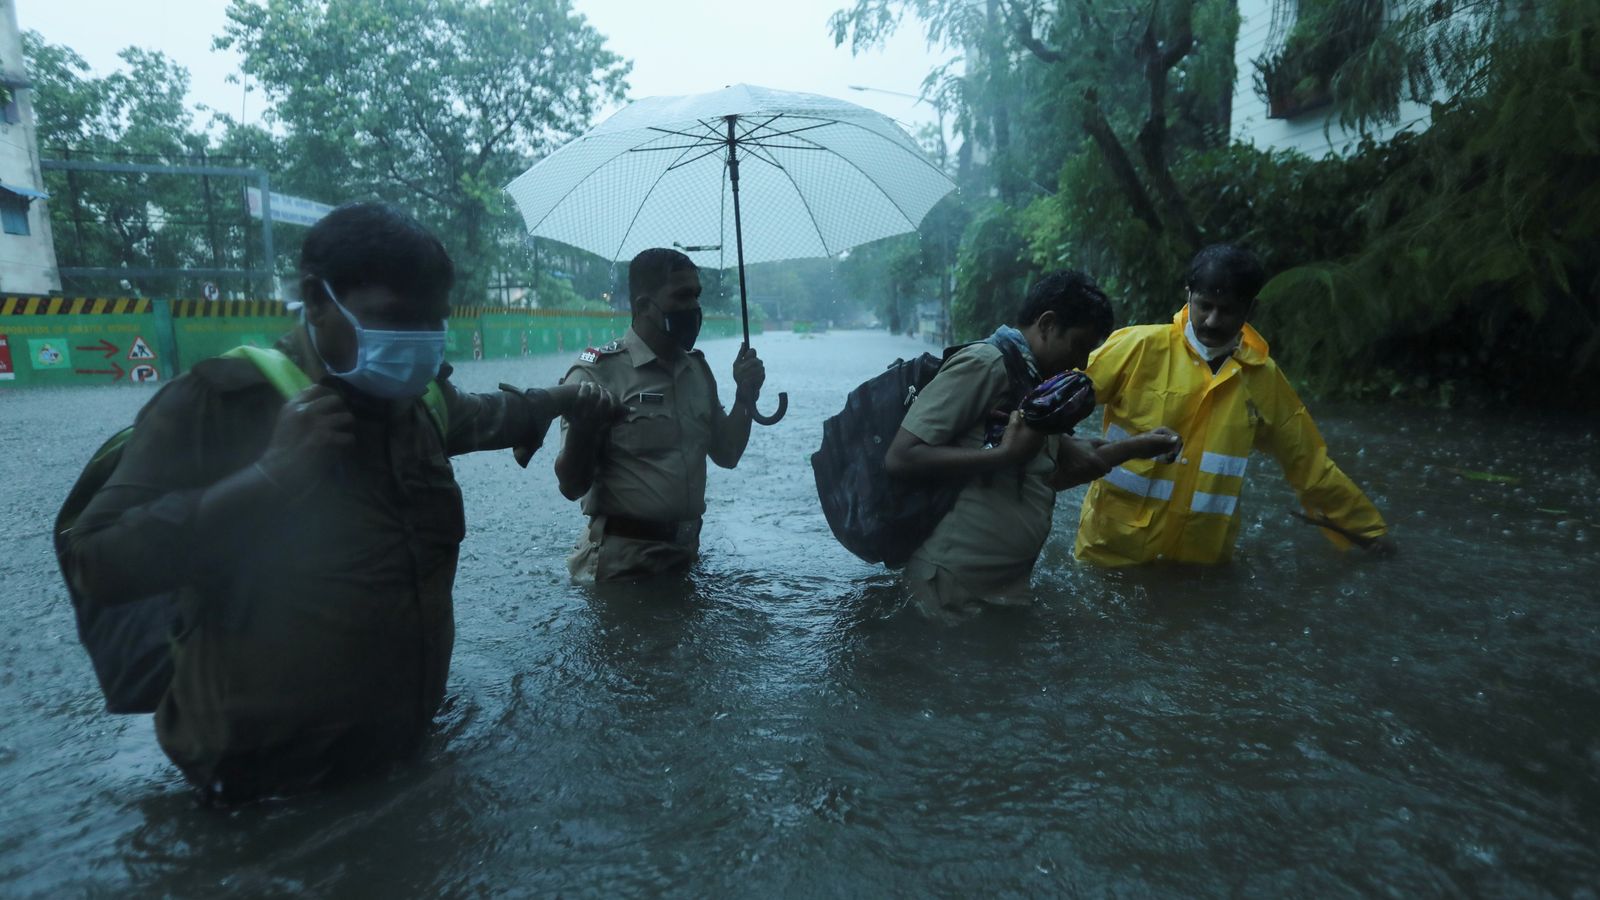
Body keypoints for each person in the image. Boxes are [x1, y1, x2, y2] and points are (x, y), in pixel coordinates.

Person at [59, 202, 612, 803]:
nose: (418, 341)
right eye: (394, 318)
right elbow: (97, 560)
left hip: (400, 759)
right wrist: (271, 478)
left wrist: (569, 396)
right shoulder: (221, 403)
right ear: (317, 301)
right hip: (262, 793)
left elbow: (501, 414)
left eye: (434, 320)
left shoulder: (419, 402)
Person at [883, 270, 1182, 622]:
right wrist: (1003, 455)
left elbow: (1053, 471)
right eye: (1079, 346)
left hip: (1001, 586)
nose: (1083, 364)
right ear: (1048, 324)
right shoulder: (986, 364)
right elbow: (901, 456)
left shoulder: (1034, 386)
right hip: (952, 584)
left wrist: (1136, 447)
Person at [1075, 243, 1393, 567]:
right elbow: (1055, 400)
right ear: (1188, 295)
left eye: (1226, 310)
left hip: (1198, 562)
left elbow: (1309, 463)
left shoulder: (1263, 379)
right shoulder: (1138, 347)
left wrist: (1367, 531)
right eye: (1205, 306)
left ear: (1250, 310)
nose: (1213, 320)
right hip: (1111, 551)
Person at [554, 248, 766, 583]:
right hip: (621, 568)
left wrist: (745, 395)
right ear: (642, 306)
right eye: (681, 296)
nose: (693, 308)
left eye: (696, 295)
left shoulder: (697, 369)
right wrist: (584, 425)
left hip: (685, 560)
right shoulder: (596, 373)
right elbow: (570, 485)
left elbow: (727, 453)